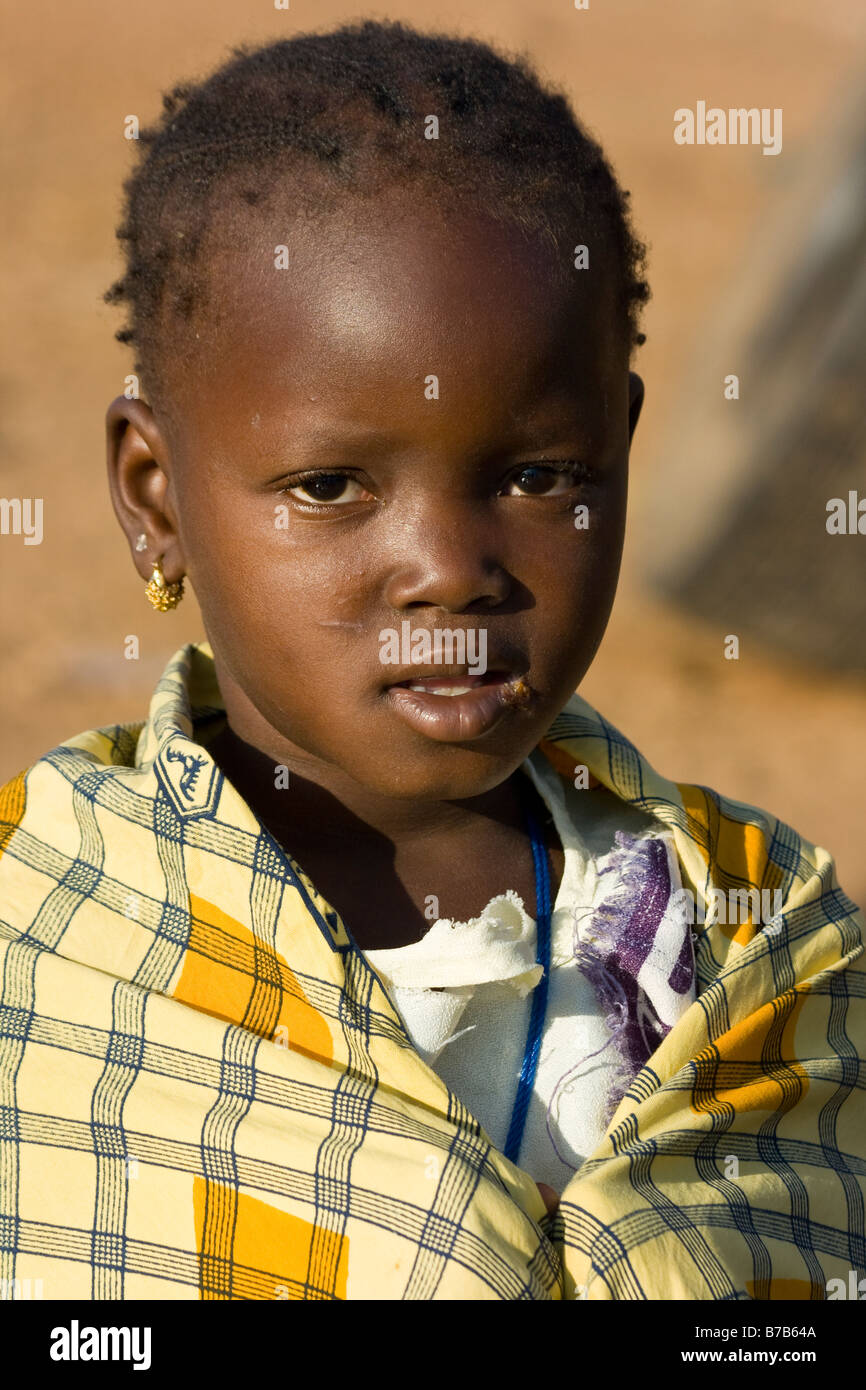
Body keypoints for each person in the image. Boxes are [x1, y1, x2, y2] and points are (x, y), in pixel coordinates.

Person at [0, 19, 862, 1302]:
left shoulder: (757, 939)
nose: (450, 565)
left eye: (538, 474)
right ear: (155, 494)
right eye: (332, 484)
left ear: (620, 453)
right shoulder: (51, 924)